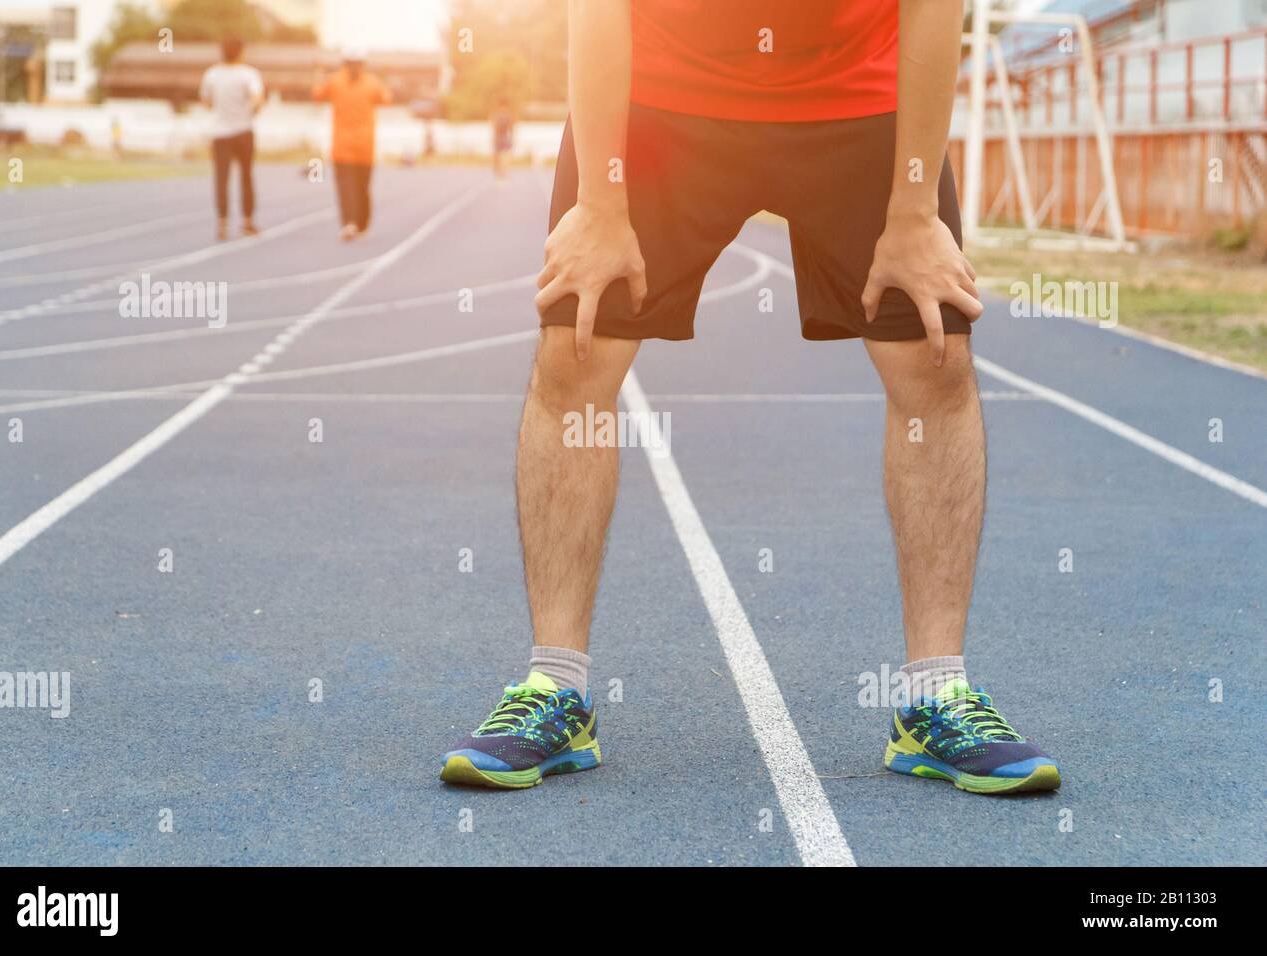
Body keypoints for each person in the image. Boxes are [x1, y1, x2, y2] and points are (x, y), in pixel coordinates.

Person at [440, 0, 1062, 797]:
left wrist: (912, 213)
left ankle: (933, 695)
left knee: (936, 358)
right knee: (575, 351)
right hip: (662, 96)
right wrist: (600, 202)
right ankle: (556, 688)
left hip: (858, 97)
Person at [312, 47, 392, 241]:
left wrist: (318, 73)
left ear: (344, 63)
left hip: (342, 145)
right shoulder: (372, 82)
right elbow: (387, 99)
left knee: (346, 187)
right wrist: (385, 78)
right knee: (362, 187)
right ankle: (362, 224)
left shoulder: (335, 81)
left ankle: (350, 223)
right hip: (365, 145)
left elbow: (317, 95)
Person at [199, 37, 263, 240]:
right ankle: (247, 222)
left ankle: (222, 223)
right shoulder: (248, 74)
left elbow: (206, 102)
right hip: (243, 131)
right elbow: (257, 100)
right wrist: (251, 110)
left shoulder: (212, 74)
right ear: (242, 52)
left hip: (220, 133)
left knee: (221, 178)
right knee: (246, 177)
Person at [489, 96, 515, 179]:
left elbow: (493, 125)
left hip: (501, 136)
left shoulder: (499, 114)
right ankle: (501, 173)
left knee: (501, 155)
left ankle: (501, 173)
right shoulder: (506, 114)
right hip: (502, 136)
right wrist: (512, 137)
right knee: (502, 155)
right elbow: (511, 127)